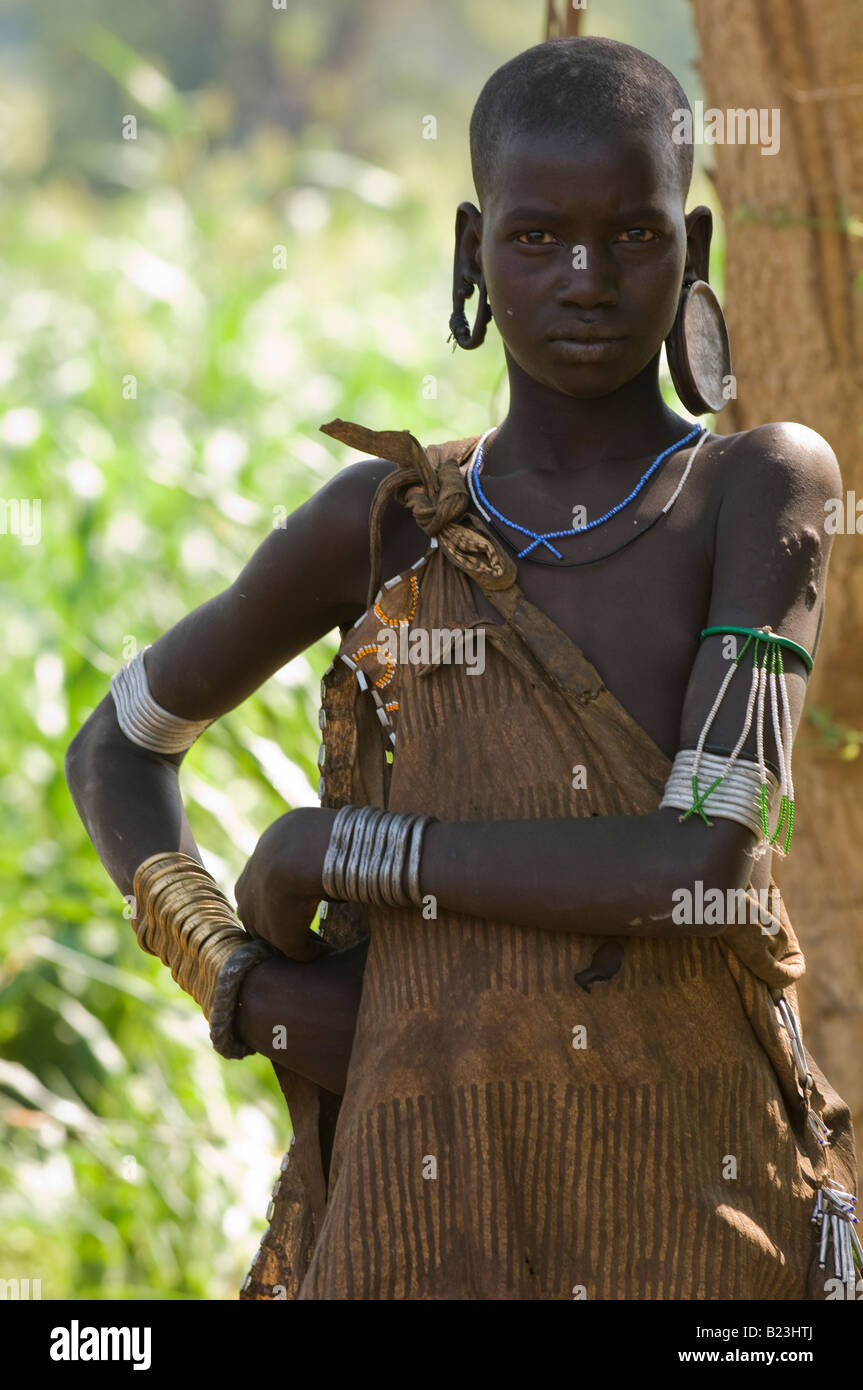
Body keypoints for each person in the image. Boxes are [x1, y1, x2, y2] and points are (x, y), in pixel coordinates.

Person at [66, 35, 858, 1301]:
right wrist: (236, 977)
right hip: (412, 1187)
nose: (586, 279)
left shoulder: (755, 488)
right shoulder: (380, 522)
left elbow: (697, 855)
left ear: (693, 250)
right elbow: (117, 742)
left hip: (692, 1194)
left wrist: (338, 847)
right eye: (537, 239)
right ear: (469, 251)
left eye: (634, 237)